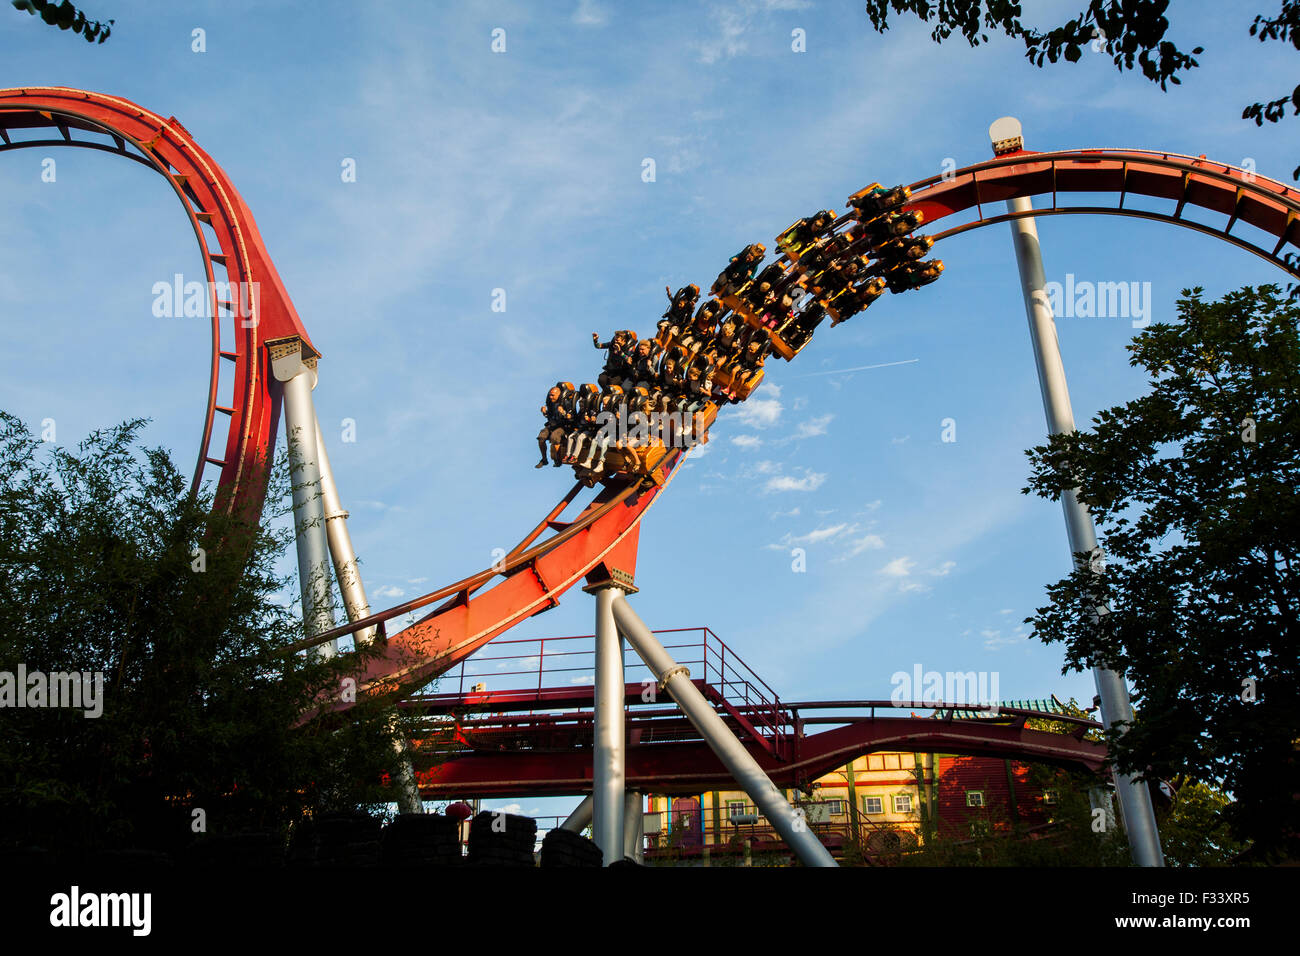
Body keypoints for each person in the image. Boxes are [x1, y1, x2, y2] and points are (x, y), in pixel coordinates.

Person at [536, 383, 575, 468]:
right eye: (550, 395)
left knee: (554, 437)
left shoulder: (566, 403)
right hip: (552, 425)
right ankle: (544, 459)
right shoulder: (551, 403)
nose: (551, 397)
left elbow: (571, 418)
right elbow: (550, 416)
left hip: (563, 426)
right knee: (541, 437)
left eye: (553, 395)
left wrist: (563, 413)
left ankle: (558, 459)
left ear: (558, 394)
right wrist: (545, 413)